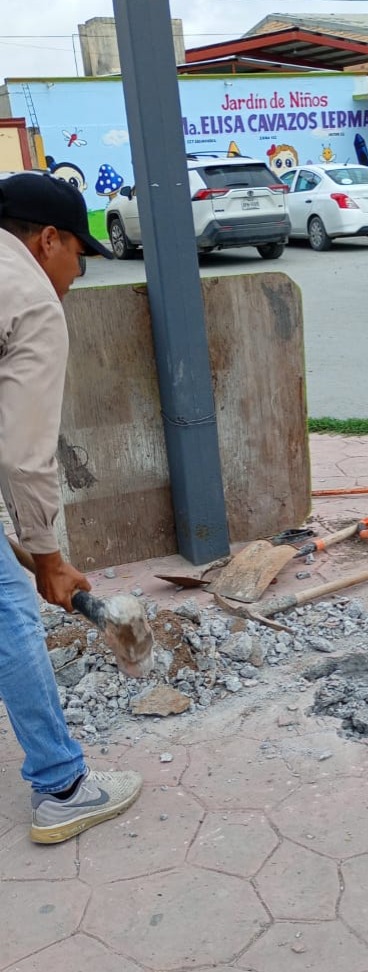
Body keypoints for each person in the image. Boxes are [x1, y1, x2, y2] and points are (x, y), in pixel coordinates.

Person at [0, 173, 142, 844]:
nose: (77, 274)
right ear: (47, 240)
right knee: (9, 615)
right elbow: (23, 454)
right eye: (77, 257)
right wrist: (49, 561)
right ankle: (63, 787)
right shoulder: (28, 294)